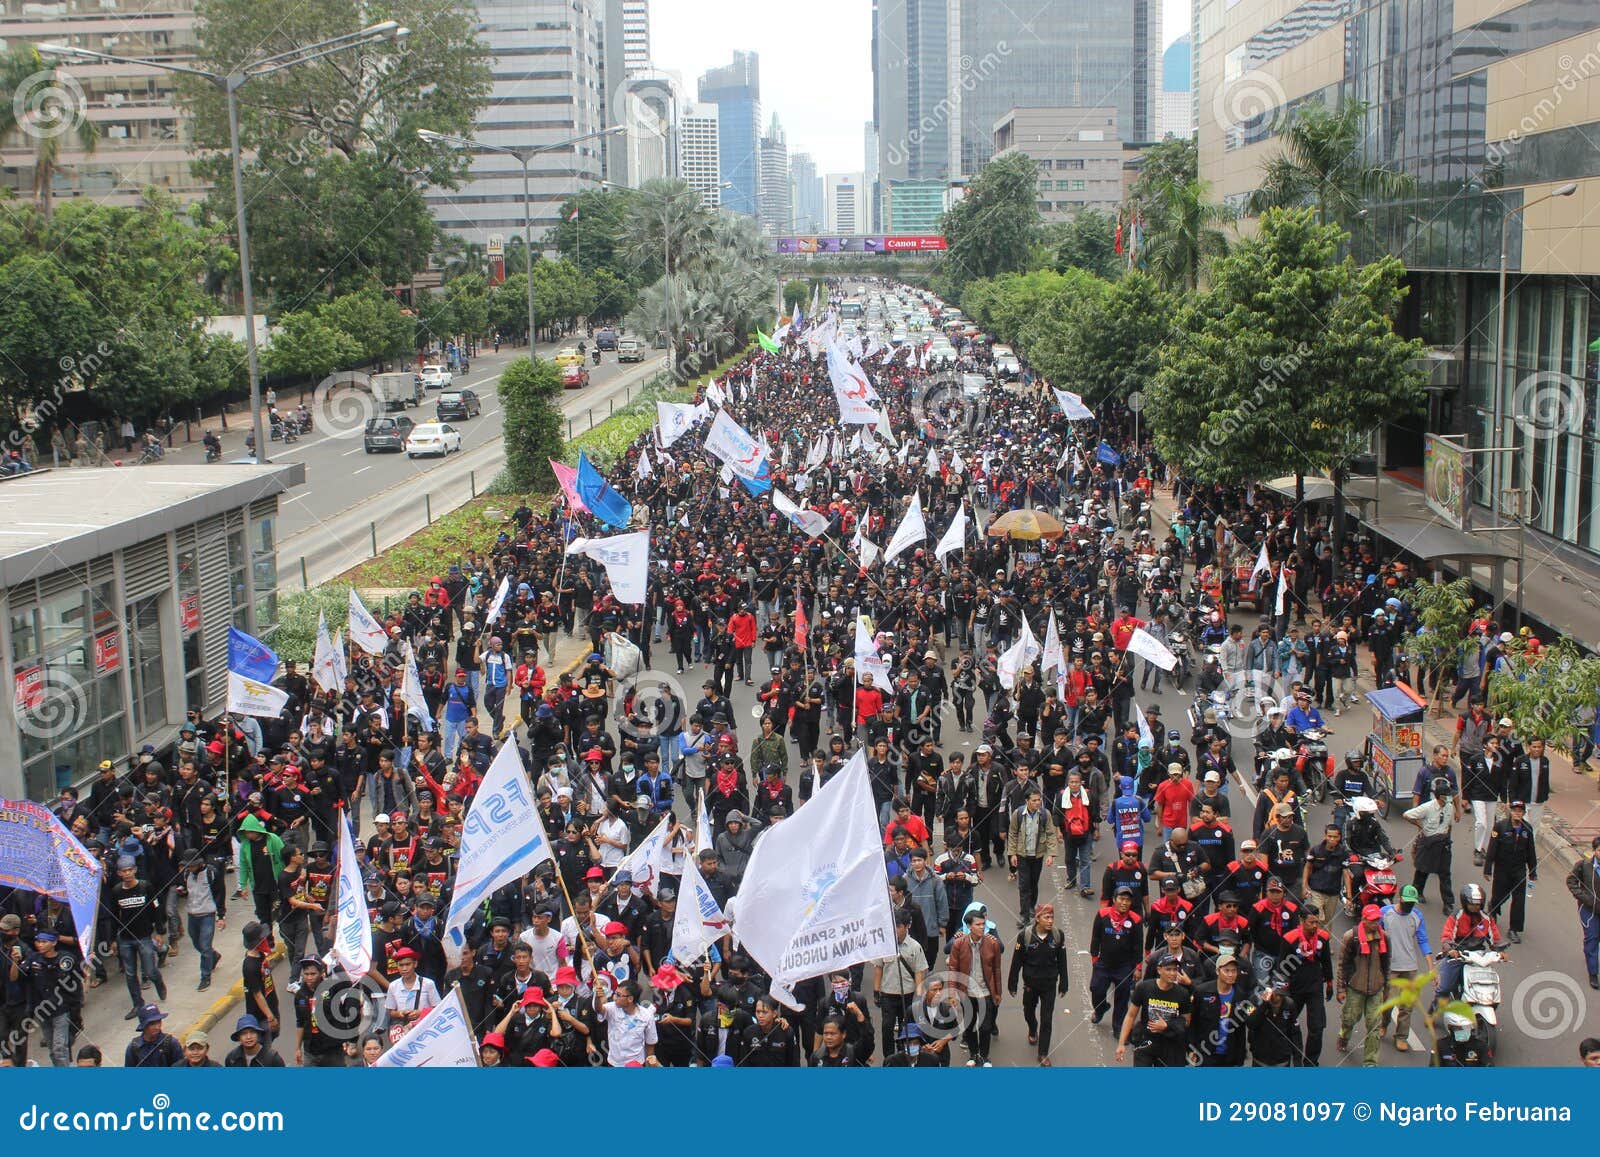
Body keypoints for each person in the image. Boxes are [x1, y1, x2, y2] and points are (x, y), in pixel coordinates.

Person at [1007, 904, 1069, 1065]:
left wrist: (1064, 983)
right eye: (1046, 917)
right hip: (1030, 984)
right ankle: (1032, 1028)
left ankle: (1043, 1053)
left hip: (1049, 984)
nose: (1050, 921)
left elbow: (1062, 961)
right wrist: (1012, 983)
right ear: (1037, 919)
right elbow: (1016, 961)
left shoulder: (1057, 936)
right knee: (1028, 1011)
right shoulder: (1025, 936)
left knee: (1047, 1019)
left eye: (1052, 917)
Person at [1335, 904, 1391, 1066]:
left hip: (1376, 989)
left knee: (1374, 1027)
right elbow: (1342, 965)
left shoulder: (1384, 938)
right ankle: (1344, 1035)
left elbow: (1386, 964)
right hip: (1355, 988)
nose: (1376, 924)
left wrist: (1386, 987)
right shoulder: (1351, 937)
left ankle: (1370, 1062)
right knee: (1350, 1018)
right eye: (1372, 920)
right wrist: (1341, 989)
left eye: (1378, 920)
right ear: (1364, 919)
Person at [1379, 885, 1433, 1051]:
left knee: (1407, 1004)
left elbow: (1423, 941)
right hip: (1390, 965)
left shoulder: (1417, 916)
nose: (1410, 906)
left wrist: (1431, 966)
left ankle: (1401, 1036)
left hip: (1409, 966)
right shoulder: (1385, 913)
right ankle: (1383, 1023)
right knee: (1387, 1000)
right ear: (1400, 898)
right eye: (1407, 902)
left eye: (1413, 903)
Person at [946, 907, 1002, 1066]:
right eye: (978, 924)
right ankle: (973, 1054)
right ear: (969, 926)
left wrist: (998, 992)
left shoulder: (993, 944)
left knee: (985, 1028)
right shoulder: (958, 944)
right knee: (969, 1027)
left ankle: (984, 1056)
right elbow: (953, 969)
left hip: (985, 992)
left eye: (983, 924)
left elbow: (997, 969)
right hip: (966, 993)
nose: (982, 927)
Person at [1116, 954, 1192, 1066]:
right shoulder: (1144, 988)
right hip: (1146, 1041)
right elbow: (1131, 1016)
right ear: (1159, 970)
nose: (1172, 973)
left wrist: (1167, 1026)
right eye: (1168, 969)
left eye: (1175, 970)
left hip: (1170, 1044)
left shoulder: (1182, 993)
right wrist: (1121, 1043)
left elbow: (1186, 1021)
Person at [872, 913, 928, 1057]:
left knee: (908, 1028)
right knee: (887, 1027)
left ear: (907, 926)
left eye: (898, 926)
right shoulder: (884, 946)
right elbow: (878, 968)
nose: (895, 929)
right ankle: (889, 1057)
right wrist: (876, 991)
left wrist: (919, 995)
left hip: (908, 995)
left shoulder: (915, 947)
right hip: (888, 995)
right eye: (893, 926)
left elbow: (919, 972)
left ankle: (905, 1055)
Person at [1404, 775, 1462, 912]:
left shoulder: (1448, 807)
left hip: (1443, 843)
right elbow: (1407, 815)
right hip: (1429, 841)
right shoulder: (1428, 807)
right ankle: (1418, 892)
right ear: (1440, 797)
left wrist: (1448, 837)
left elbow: (1449, 824)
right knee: (1423, 869)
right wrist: (1421, 826)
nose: (1449, 798)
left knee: (1445, 873)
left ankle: (1448, 903)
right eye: (1447, 796)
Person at [1436, 883, 1502, 1000]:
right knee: (1444, 988)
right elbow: (1447, 936)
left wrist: (1500, 951)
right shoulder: (1456, 916)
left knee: (1491, 985)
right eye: (1472, 904)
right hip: (1458, 955)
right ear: (1465, 903)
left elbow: (1495, 939)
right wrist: (1450, 949)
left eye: (1478, 904)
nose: (1475, 907)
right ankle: (1432, 1013)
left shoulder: (1487, 918)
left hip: (1478, 957)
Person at [1089, 886, 1143, 1029]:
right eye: (1121, 899)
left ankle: (1118, 1027)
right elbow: (1095, 938)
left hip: (1124, 966)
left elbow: (1138, 945)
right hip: (1103, 963)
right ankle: (1100, 1009)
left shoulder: (1135, 920)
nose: (1124, 903)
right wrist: (1094, 959)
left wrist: (1138, 967)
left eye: (1128, 900)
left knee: (1122, 997)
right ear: (1114, 899)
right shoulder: (1102, 915)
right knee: (1096, 989)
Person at [1484, 800, 1537, 942]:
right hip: (1502, 868)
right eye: (1515, 810)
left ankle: (1514, 929)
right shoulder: (1500, 827)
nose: (1517, 813)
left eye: (1520, 811)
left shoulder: (1527, 829)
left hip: (1519, 870)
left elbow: (1531, 851)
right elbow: (1492, 848)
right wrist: (1488, 868)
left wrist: (1533, 871)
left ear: (1524, 813)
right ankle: (1493, 910)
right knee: (1499, 895)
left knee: (1519, 900)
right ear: (1510, 812)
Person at [1006, 787, 1058, 921]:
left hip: (1038, 855)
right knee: (1024, 885)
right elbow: (1012, 834)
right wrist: (1012, 854)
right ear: (1027, 801)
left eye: (1039, 800)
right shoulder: (1018, 814)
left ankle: (1031, 908)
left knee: (1033, 883)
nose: (1037, 803)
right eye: (1034, 800)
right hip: (1022, 856)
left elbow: (1051, 833)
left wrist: (1051, 854)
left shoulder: (1045, 814)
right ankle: (1024, 915)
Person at [1190, 950, 1249, 1066]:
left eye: (1234, 971)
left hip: (1230, 1055)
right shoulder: (1202, 992)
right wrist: (1192, 1048)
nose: (1231, 974)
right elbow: (1194, 1023)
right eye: (1227, 971)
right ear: (1217, 971)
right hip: (1206, 1053)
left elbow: (1241, 1030)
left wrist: (1240, 1058)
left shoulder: (1241, 995)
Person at [1566, 834, 1600, 990]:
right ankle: (1593, 973)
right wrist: (1585, 898)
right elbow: (1571, 881)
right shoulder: (1584, 865)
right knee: (1592, 939)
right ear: (1594, 851)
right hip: (1589, 910)